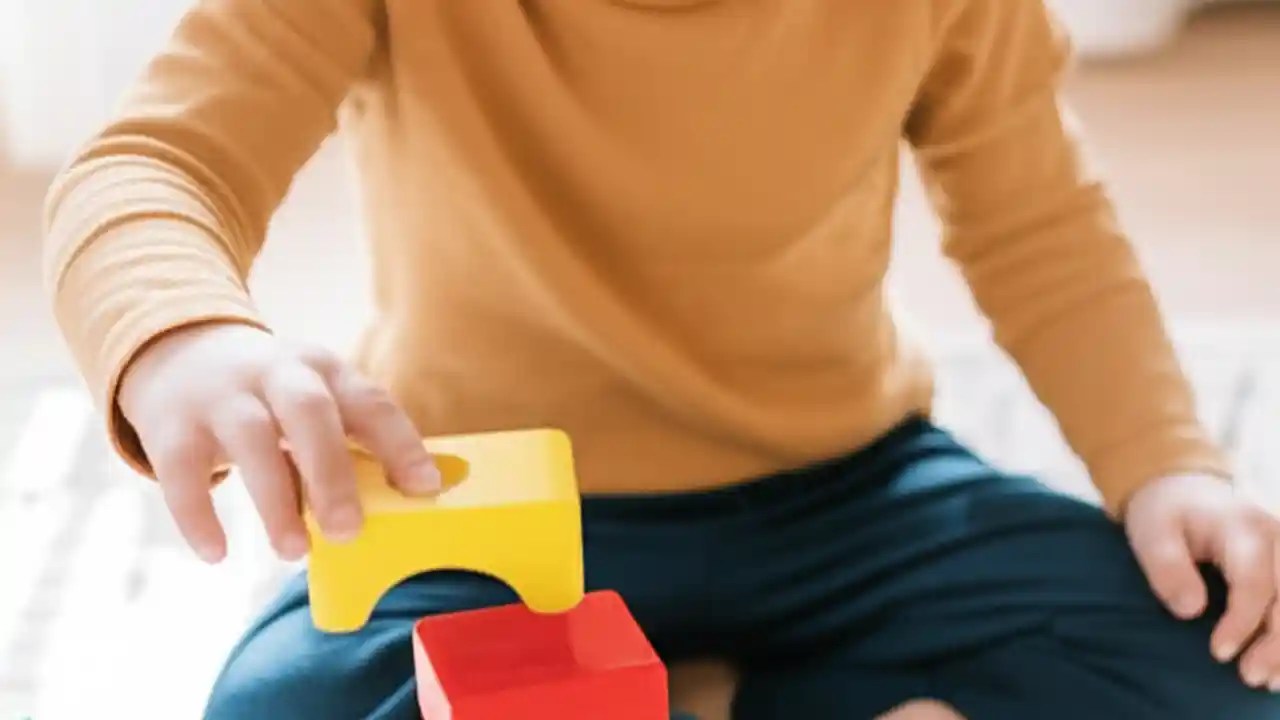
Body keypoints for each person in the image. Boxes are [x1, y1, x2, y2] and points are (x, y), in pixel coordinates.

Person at [41, 1, 1280, 718]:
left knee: (1226, 646)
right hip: (470, 506)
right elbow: (157, 166)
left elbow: (1038, 223)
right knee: (281, 707)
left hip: (852, 493)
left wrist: (1165, 464)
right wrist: (182, 331)